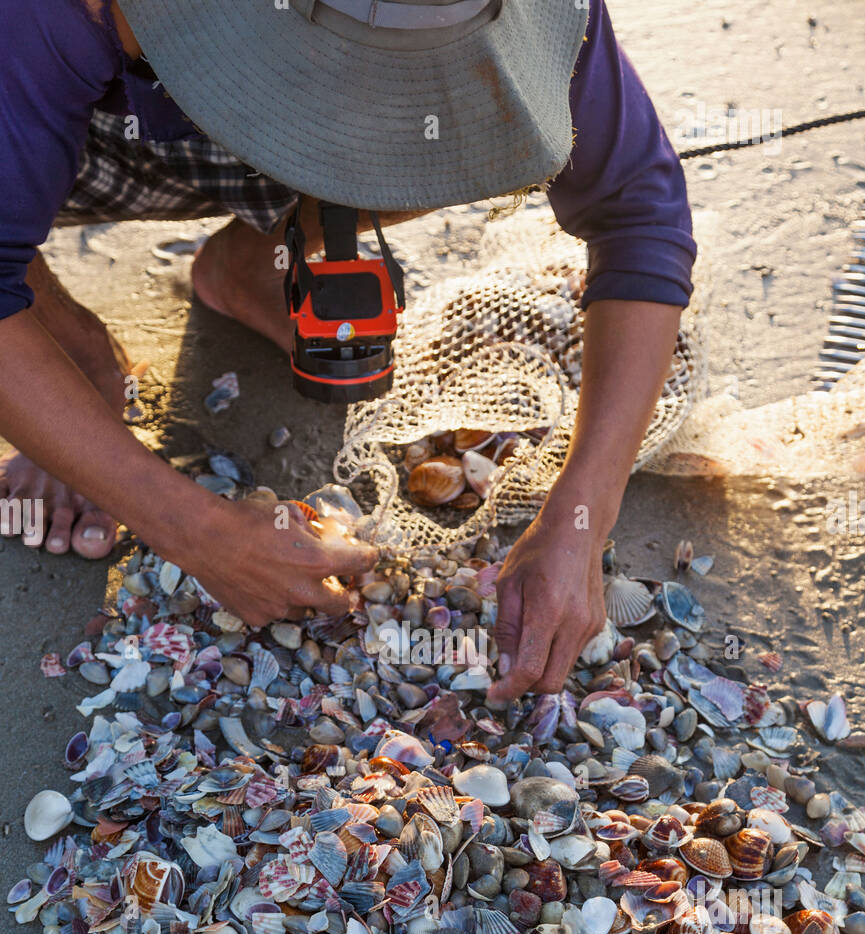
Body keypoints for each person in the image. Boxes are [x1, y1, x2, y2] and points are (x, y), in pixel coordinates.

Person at [0, 0, 696, 700]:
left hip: (182, 94)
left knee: (476, 125)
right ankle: (64, 343)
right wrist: (191, 528)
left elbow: (639, 211)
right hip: (71, 104)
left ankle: (254, 263)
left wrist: (581, 515)